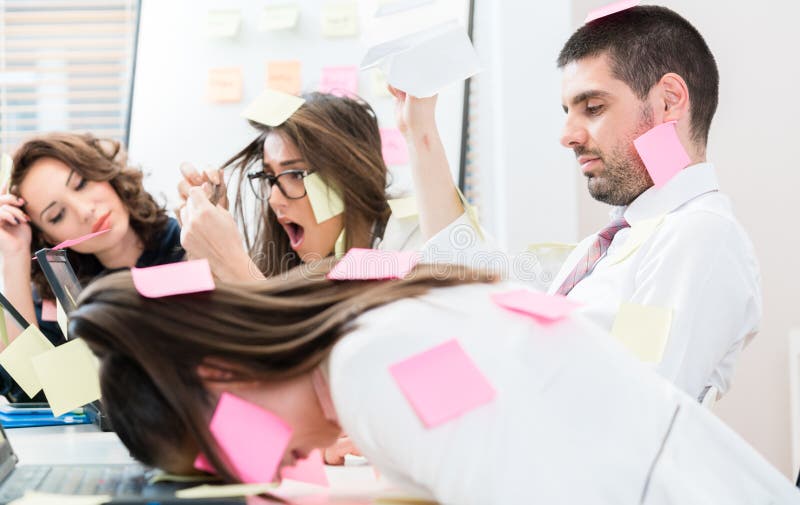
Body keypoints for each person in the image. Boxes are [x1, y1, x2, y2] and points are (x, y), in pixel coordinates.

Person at [68, 263, 797, 504]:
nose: (267, 469)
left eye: (230, 450)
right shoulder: (371, 325)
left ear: (219, 371)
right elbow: (492, 450)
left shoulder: (371, 367)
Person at [423, 5, 761, 401]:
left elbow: (632, 404)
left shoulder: (697, 237)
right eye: (568, 111)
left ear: (669, 102)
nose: (567, 135)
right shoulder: (617, 241)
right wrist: (417, 128)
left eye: (593, 107)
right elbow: (481, 289)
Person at [176, 90, 465, 282]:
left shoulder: (414, 238)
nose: (275, 199)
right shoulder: (283, 257)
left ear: (349, 175)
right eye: (269, 177)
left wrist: (234, 266)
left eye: (295, 174)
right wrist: (205, 256)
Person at [0, 133, 183, 348]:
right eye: (57, 215)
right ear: (49, 237)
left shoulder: (186, 241)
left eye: (81, 183)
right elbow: (26, 380)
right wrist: (14, 255)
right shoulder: (60, 299)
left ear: (101, 169)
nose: (85, 211)